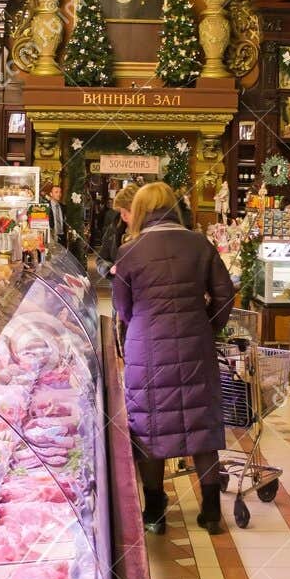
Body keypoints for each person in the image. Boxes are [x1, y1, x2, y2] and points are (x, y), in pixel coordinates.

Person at [112, 181, 235, 536]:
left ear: (140, 210)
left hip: (146, 349)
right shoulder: (199, 243)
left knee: (149, 426)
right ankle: (211, 511)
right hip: (196, 344)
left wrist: (142, 324)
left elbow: (122, 306)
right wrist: (207, 326)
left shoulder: (129, 251)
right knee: (202, 424)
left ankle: (154, 512)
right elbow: (225, 294)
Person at [98, 183, 137, 273]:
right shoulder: (113, 228)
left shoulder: (148, 231)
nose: (123, 216)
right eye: (120, 211)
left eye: (127, 211)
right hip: (117, 281)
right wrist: (109, 268)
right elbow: (101, 259)